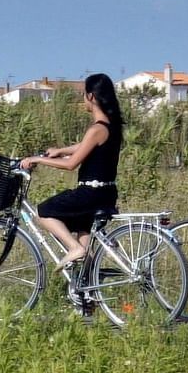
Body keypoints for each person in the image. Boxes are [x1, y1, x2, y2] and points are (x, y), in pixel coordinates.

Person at [18, 72, 123, 269]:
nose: (83, 99)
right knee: (84, 233)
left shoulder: (97, 129)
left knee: (43, 211)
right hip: (105, 193)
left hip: (90, 194)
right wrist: (60, 151)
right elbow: (85, 146)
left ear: (91, 96)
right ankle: (86, 293)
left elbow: (71, 164)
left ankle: (74, 248)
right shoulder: (112, 126)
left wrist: (37, 159)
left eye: (84, 94)